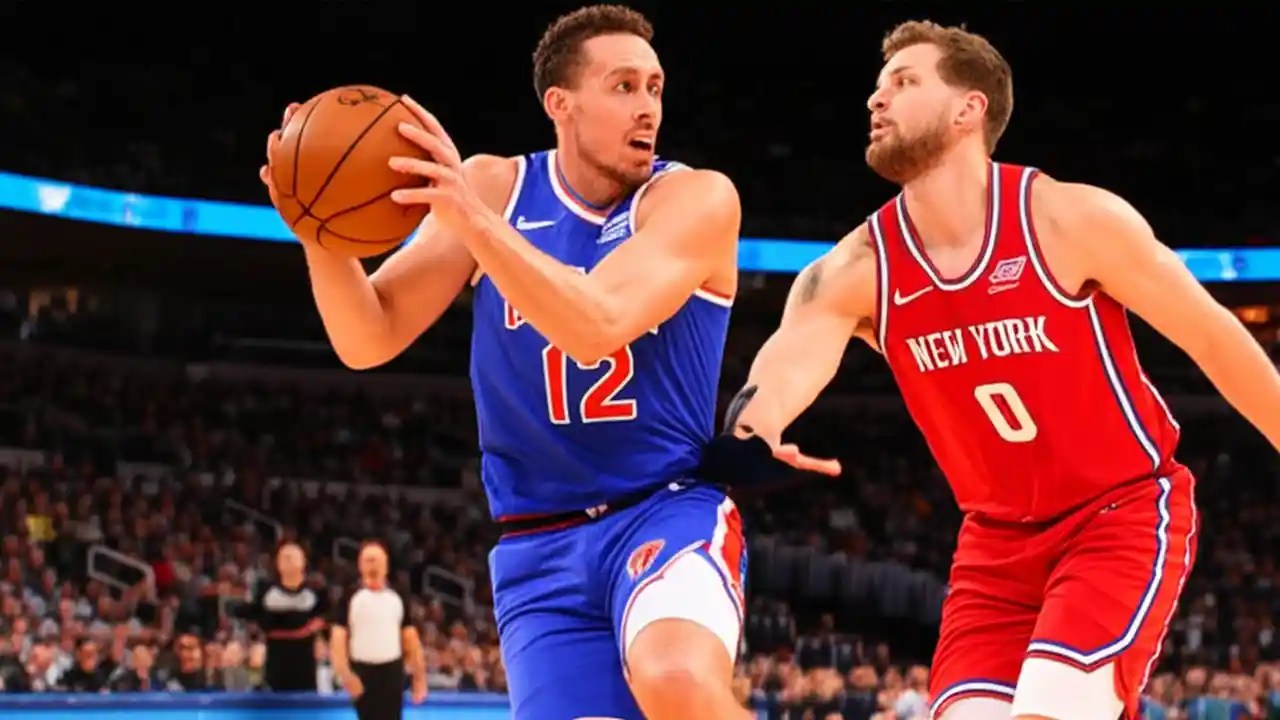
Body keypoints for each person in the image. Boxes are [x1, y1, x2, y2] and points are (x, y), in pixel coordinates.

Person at [715, 19, 1280, 720]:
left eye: (903, 81)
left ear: (968, 108)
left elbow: (1215, 337)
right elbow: (786, 363)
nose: (875, 99)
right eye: (876, 84)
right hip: (993, 545)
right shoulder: (856, 268)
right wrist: (755, 428)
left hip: (1118, 514)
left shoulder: (1070, 219)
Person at [260, 5, 750, 719]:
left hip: (661, 510)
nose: (647, 107)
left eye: (654, 87)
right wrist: (316, 231)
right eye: (623, 87)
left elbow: (597, 324)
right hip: (536, 543)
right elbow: (369, 337)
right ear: (561, 104)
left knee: (673, 679)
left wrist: (472, 222)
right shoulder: (497, 189)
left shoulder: (694, 197)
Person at [331, 541, 426, 720]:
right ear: (360, 565)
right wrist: (344, 673)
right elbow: (338, 637)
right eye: (368, 560)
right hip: (362, 670)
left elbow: (410, 638)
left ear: (386, 565)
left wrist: (419, 677)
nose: (372, 564)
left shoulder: (398, 595)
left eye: (376, 560)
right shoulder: (350, 595)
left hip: (392, 671)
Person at [244, 542, 327, 692]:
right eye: (284, 557)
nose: (288, 559)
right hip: (275, 661)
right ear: (277, 564)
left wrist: (320, 635)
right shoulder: (265, 592)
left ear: (303, 562)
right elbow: (252, 616)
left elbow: (327, 619)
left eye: (293, 556)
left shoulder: (316, 593)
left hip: (305, 661)